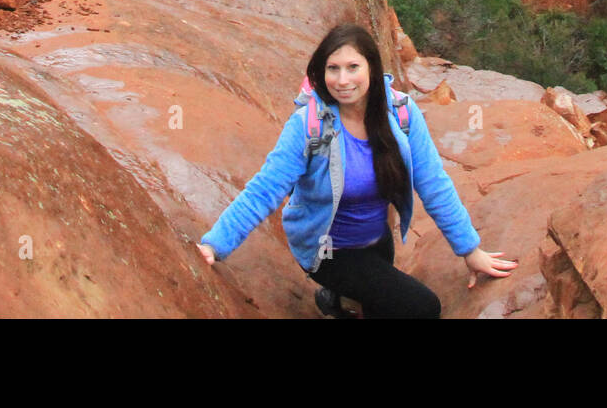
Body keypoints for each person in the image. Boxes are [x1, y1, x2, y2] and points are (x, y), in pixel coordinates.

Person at [196, 22, 517, 317]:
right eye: (333, 69)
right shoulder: (308, 126)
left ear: (372, 69)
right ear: (321, 74)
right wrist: (215, 245)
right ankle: (336, 290)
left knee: (378, 299)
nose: (343, 80)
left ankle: (335, 301)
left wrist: (469, 249)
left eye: (353, 67)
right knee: (422, 307)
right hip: (328, 249)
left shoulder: (401, 115)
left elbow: (433, 182)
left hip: (376, 239)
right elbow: (264, 190)